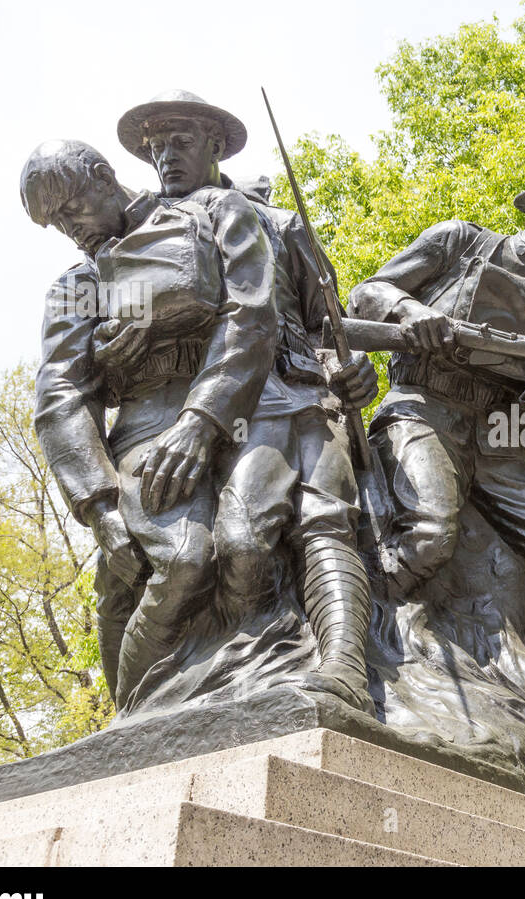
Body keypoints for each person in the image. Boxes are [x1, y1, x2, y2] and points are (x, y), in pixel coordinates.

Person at [112, 90, 380, 713]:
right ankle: (225, 672)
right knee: (240, 545)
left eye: (180, 144)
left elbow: (329, 325)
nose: (165, 158)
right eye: (156, 149)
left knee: (323, 519)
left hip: (298, 393)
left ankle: (344, 666)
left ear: (214, 146)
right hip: (221, 404)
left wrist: (350, 366)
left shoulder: (283, 225)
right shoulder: (146, 230)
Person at [348, 171, 525, 735]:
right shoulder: (458, 242)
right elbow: (364, 294)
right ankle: (352, 647)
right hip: (423, 405)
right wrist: (408, 310)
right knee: (429, 534)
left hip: (498, 435)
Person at [22, 137, 279, 707]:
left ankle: (239, 681)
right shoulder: (75, 286)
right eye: (54, 223)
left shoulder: (205, 214)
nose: (70, 228)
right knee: (183, 559)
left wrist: (202, 419)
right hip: (147, 425)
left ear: (101, 174)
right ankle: (133, 718)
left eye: (71, 208)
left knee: (261, 541)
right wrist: (100, 506)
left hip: (251, 407)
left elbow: (253, 314)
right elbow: (61, 393)